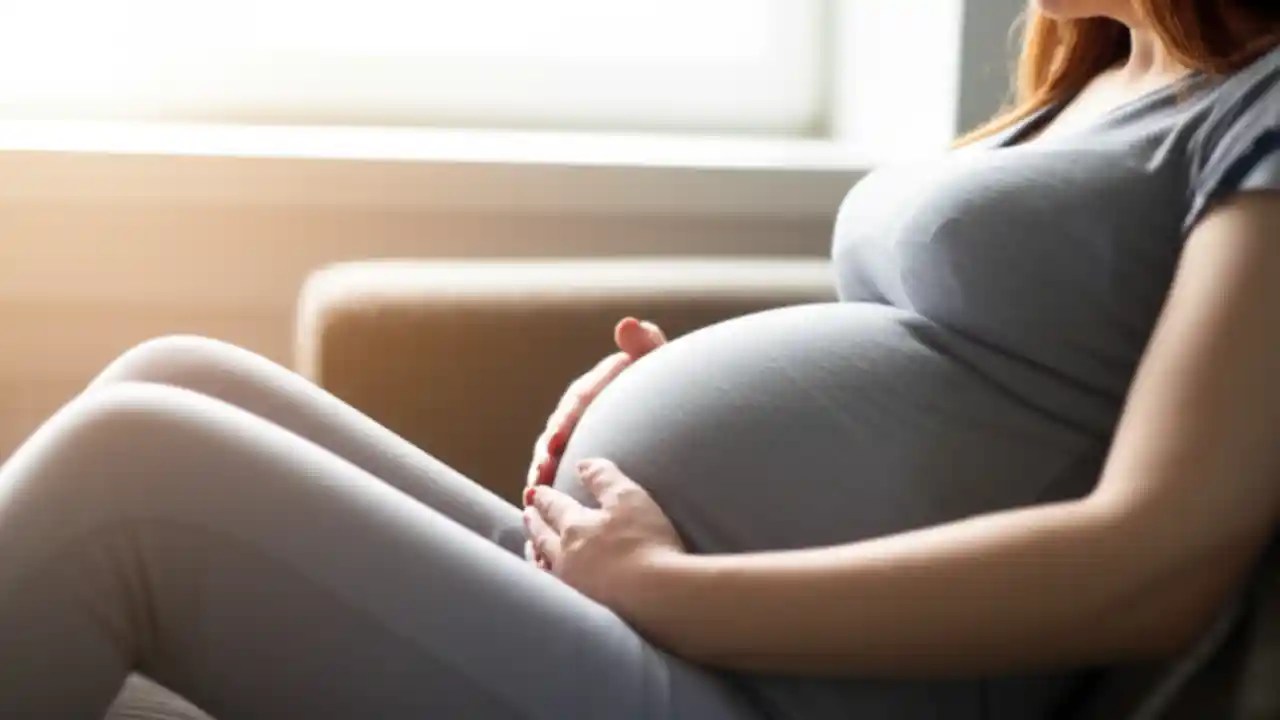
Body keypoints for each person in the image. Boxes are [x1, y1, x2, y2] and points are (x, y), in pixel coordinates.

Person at [3, 1, 1278, 717]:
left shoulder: (1260, 113)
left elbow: (1152, 558)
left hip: (771, 691)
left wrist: (679, 586)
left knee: (135, 477)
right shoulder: (1100, 77)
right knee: (180, 377)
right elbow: (960, 377)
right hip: (682, 630)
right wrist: (676, 390)